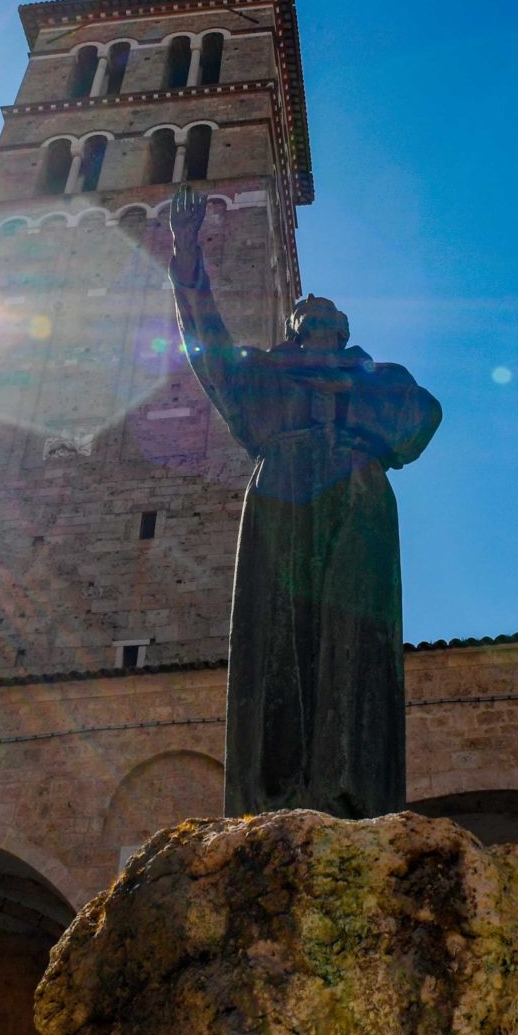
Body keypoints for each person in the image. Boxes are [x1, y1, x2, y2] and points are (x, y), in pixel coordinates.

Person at [167, 183, 441, 818]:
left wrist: (359, 425)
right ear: (292, 328)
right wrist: (187, 260)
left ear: (342, 330)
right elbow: (206, 345)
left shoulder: (384, 379)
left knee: (355, 638)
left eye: (327, 319)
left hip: (357, 494)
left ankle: (353, 790)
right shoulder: (261, 372)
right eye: (305, 317)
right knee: (279, 635)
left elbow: (423, 418)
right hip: (283, 490)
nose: (316, 322)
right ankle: (275, 793)